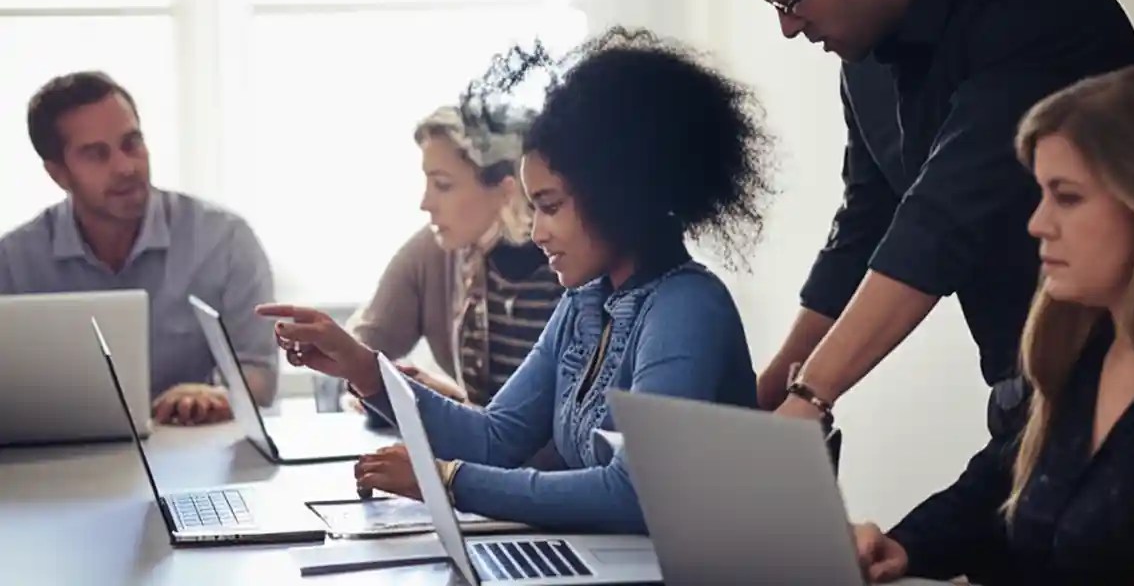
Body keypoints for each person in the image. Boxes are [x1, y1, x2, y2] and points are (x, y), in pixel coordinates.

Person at [258, 28, 771, 533]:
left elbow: (635, 491)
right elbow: (495, 435)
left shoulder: (687, 309)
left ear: (621, 193)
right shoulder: (584, 302)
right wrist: (364, 368)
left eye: (549, 207)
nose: (538, 230)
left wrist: (447, 480)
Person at [720, 0, 1134, 439]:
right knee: (911, 534)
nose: (789, 28)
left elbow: (942, 219)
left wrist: (811, 393)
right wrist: (767, 395)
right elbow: (865, 231)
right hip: (1021, 389)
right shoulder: (863, 64)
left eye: (790, 0)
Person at [852, 66, 1134, 584]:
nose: (1037, 223)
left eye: (1067, 197)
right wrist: (904, 545)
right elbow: (999, 485)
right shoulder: (1084, 347)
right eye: (1041, 194)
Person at [0, 71, 277, 425]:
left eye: (131, 143)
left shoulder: (225, 240)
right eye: (97, 154)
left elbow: (260, 375)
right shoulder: (13, 261)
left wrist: (216, 396)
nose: (125, 167)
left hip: (191, 449)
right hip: (60, 460)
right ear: (58, 174)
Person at [346, 102, 562, 409]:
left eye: (443, 185)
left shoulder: (564, 270)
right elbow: (366, 341)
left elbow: (538, 430)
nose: (425, 203)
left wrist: (452, 407)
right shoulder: (438, 246)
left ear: (505, 190)